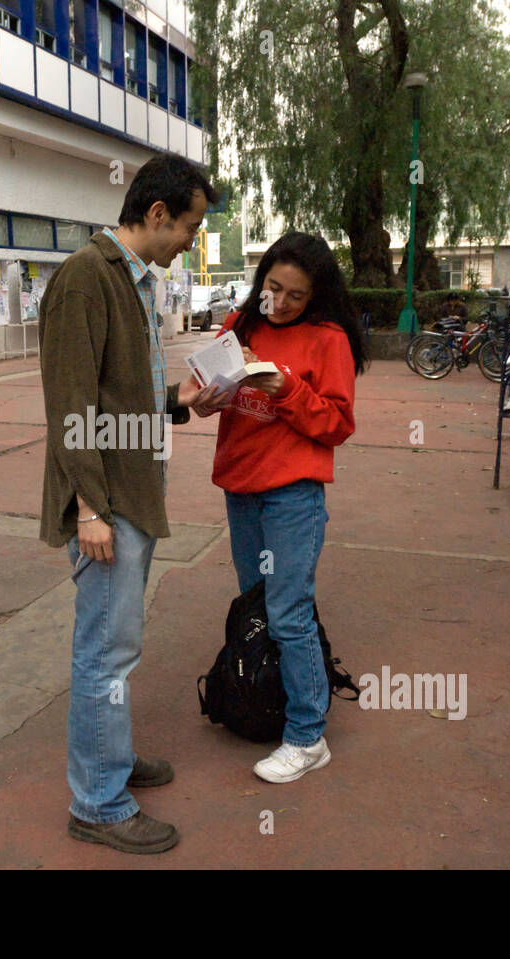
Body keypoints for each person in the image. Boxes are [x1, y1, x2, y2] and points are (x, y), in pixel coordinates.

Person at [39, 154, 218, 855]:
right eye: (191, 226)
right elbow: (72, 405)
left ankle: (108, 760)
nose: (192, 241)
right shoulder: (88, 277)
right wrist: (88, 508)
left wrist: (178, 401)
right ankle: (99, 803)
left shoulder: (135, 282)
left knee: (118, 646)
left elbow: (122, 395)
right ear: (156, 214)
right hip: (106, 500)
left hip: (132, 493)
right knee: (104, 654)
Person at [192, 232, 365, 783]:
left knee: (290, 611)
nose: (281, 302)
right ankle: (265, 700)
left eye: (296, 294)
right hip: (240, 488)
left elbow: (336, 424)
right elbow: (200, 399)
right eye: (273, 288)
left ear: (316, 295)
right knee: (259, 607)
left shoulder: (327, 338)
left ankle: (307, 735)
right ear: (260, 279)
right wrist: (208, 395)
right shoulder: (240, 326)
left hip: (293, 492)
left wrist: (283, 386)